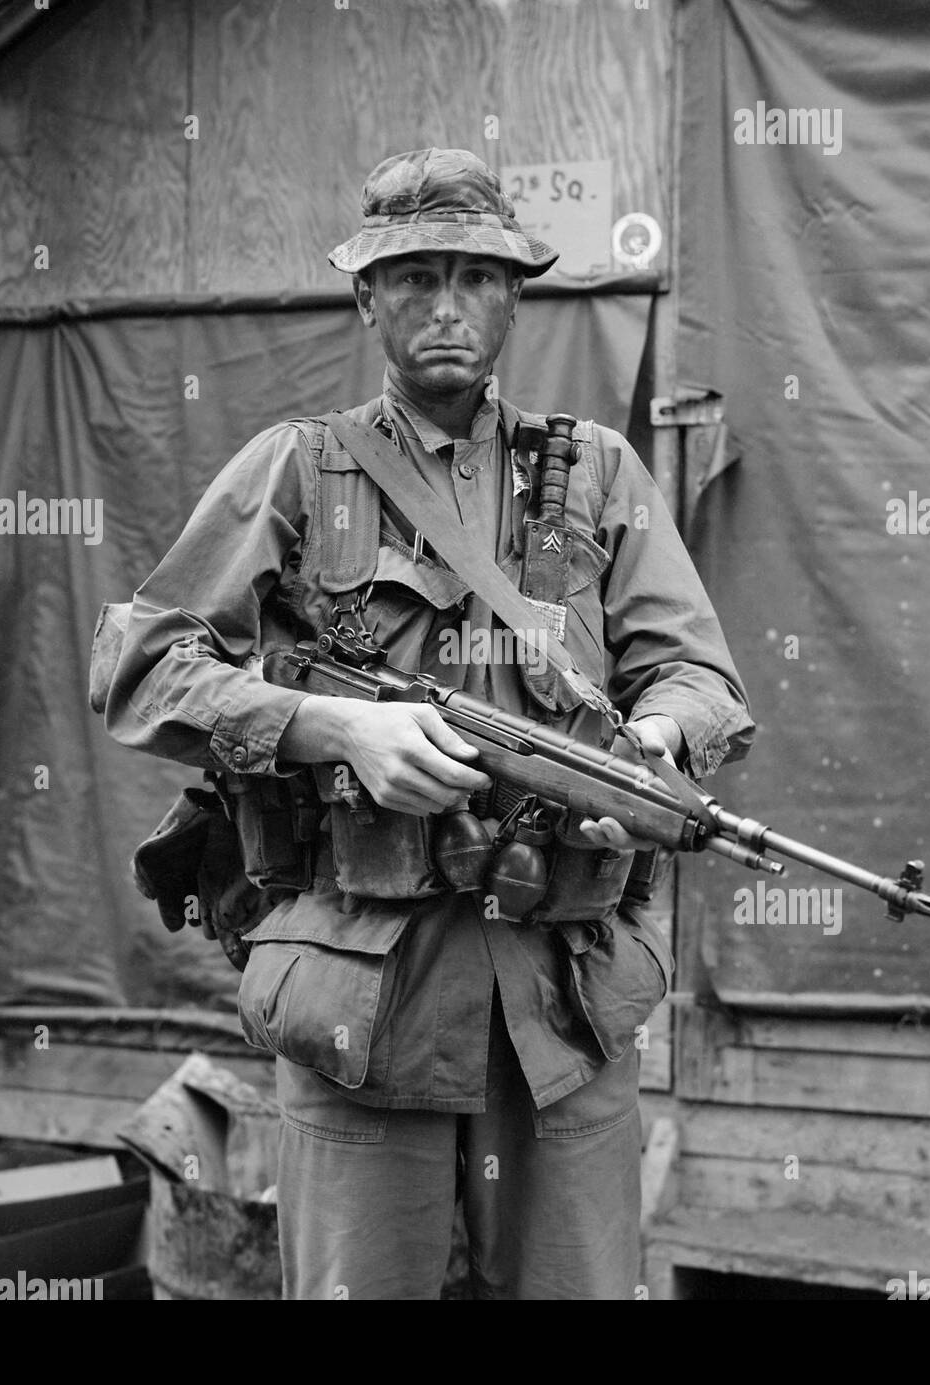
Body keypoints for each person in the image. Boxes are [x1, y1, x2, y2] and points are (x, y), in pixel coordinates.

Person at [106, 147, 754, 1300]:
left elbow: (698, 677)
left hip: (564, 1003)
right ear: (368, 298)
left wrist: (644, 759)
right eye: (413, 278)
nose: (445, 305)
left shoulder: (597, 476)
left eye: (475, 276)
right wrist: (328, 729)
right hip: (367, 1006)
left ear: (514, 296)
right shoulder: (297, 473)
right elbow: (143, 665)